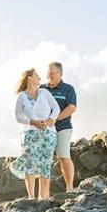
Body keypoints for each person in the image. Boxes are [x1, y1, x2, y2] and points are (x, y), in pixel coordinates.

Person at [9, 68, 60, 200]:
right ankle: (31, 198)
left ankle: (44, 198)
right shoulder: (22, 96)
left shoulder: (44, 93)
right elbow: (18, 116)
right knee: (30, 165)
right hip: (30, 134)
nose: (40, 78)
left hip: (48, 134)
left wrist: (50, 121)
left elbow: (56, 108)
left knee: (45, 165)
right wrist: (32, 122)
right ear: (29, 78)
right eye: (37, 76)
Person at [42, 61, 77, 192]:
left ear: (60, 73)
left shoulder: (68, 89)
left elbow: (72, 107)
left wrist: (54, 119)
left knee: (63, 155)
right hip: (44, 129)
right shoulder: (41, 89)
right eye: (48, 72)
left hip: (63, 127)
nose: (49, 75)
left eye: (52, 73)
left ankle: (69, 188)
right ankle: (44, 191)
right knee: (44, 158)